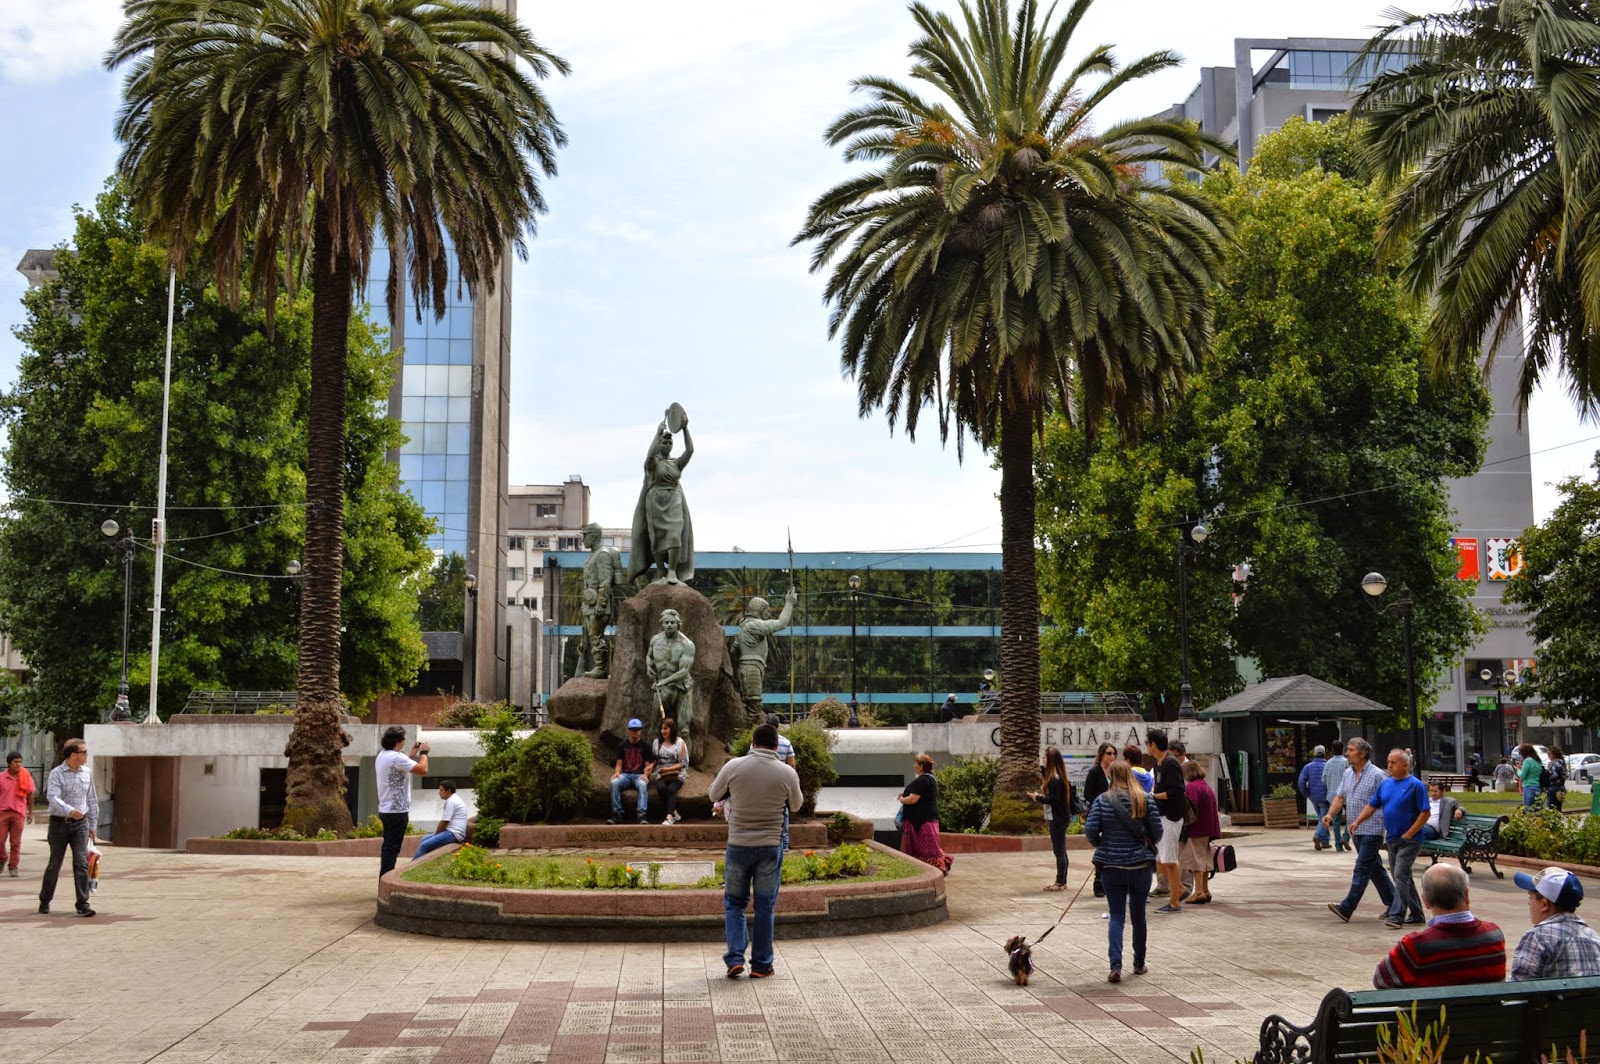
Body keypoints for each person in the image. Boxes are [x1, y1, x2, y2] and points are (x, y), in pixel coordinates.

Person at [708, 723, 802, 979]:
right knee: (765, 907)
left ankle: (735, 958)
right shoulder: (787, 772)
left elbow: (714, 793)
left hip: (738, 844)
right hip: (770, 846)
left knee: (734, 903)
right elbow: (796, 806)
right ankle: (761, 965)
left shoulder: (734, 766)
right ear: (776, 746)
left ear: (752, 742)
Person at [1084, 760, 1163, 983]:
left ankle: (1115, 966)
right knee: (1139, 916)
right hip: (1140, 865)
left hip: (1112, 866)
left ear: (1110, 776)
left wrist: (1102, 844)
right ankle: (1139, 963)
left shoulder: (1102, 800)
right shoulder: (1145, 799)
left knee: (1116, 916)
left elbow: (1090, 830)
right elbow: (1157, 832)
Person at [1372, 864, 1505, 988]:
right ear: (1466, 895)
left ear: (1425, 902)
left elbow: (1380, 980)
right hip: (1489, 1007)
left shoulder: (1415, 946)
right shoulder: (1494, 934)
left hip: (1438, 1007)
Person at [1349, 749, 1430, 930]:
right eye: (1388, 762)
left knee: (1400, 874)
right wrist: (1357, 821)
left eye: (1393, 763)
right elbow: (1372, 805)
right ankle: (1417, 914)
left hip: (1410, 840)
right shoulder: (1385, 784)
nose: (1389, 766)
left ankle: (1396, 915)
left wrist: (1410, 833)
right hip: (1392, 838)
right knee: (1401, 875)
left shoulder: (1415, 785)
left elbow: (1425, 813)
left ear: (1405, 765)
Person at [1323, 738, 1397, 923]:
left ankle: (1346, 908)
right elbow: (1340, 797)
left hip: (1373, 829)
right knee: (1375, 869)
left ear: (1362, 754)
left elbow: (1389, 801)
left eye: (1351, 750)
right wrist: (1330, 815)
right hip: (1355, 830)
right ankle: (1395, 903)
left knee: (1362, 868)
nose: (1347, 753)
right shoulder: (1348, 773)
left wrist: (1390, 827)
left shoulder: (1378, 775)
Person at [629, 415, 695, 585]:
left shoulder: (676, 463)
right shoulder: (652, 464)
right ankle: (660, 569)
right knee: (656, 537)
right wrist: (657, 434)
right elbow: (650, 457)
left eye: (670, 443)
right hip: (655, 501)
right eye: (664, 442)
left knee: (674, 535)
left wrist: (685, 429)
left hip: (674, 500)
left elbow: (690, 451)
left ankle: (672, 570)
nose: (667, 445)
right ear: (658, 444)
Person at [38, 739, 97, 917]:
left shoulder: (86, 773)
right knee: (55, 864)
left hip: (80, 825)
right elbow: (53, 797)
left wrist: (93, 824)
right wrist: (70, 810)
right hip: (59, 824)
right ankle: (45, 900)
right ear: (73, 755)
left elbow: (92, 799)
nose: (86, 755)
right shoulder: (56, 773)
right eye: (84, 752)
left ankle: (83, 903)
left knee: (81, 863)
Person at [1509, 867, 1600, 981]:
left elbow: (1518, 986)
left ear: (1545, 905)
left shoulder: (1537, 937)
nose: (1528, 902)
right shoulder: (1594, 937)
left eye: (1530, 897)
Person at [733, 590, 797, 721]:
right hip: (752, 668)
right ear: (760, 611)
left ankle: (749, 732)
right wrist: (789, 603)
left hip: (750, 667)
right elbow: (782, 623)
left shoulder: (744, 627)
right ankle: (749, 733)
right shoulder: (754, 625)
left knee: (753, 706)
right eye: (766, 611)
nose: (768, 614)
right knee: (754, 709)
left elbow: (734, 651)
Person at [376, 726, 429, 878]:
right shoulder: (397, 758)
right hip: (397, 811)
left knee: (387, 848)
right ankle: (386, 881)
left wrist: (412, 755)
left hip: (386, 809)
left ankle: (383, 879)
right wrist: (424, 753)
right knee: (392, 850)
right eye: (404, 739)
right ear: (399, 741)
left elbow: (402, 766)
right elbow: (423, 770)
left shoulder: (382, 755)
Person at [1145, 728, 1188, 913]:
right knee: (1159, 859)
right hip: (1161, 816)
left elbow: (1177, 791)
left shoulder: (1170, 763)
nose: (1147, 747)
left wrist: (1154, 796)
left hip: (1171, 817)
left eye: (1147, 743)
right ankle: (1180, 889)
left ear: (1153, 745)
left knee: (1169, 860)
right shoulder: (1158, 764)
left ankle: (1174, 902)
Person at [579, 522, 624, 679]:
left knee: (595, 636)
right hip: (590, 604)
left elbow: (605, 581)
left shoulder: (602, 554)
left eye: (585, 536)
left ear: (594, 536)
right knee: (592, 637)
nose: (583, 540)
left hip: (599, 606)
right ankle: (599, 667)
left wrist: (600, 603)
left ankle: (601, 668)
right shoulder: (593, 555)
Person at [899, 753, 952, 875]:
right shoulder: (931, 779)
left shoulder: (922, 780)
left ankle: (937, 869)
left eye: (916, 764)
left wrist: (902, 799)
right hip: (924, 819)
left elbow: (912, 799)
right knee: (930, 847)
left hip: (921, 822)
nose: (914, 766)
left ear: (921, 766)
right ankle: (935, 868)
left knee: (927, 849)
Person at [1031, 746, 1073, 892]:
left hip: (1058, 818)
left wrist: (1038, 797)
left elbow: (1053, 800)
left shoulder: (1055, 778)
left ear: (1050, 760)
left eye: (1044, 757)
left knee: (1059, 850)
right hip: (1061, 816)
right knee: (1061, 850)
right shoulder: (1058, 776)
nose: (1042, 759)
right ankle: (1062, 881)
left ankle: (1060, 882)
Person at [1181, 759, 1220, 905]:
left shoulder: (1192, 787)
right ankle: (1205, 890)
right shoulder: (1205, 786)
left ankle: (1198, 892)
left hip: (1196, 828)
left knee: (1196, 860)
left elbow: (1190, 807)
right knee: (1204, 859)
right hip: (1208, 828)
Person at [1085, 743, 1116, 897]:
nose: (1112, 756)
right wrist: (1101, 803)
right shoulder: (1095, 772)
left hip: (1114, 814)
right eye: (1109, 753)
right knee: (1102, 849)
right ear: (1101, 755)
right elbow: (1087, 794)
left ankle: (1111, 882)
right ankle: (1098, 883)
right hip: (1100, 814)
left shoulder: (1115, 772)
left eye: (1114, 753)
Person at [609, 718, 655, 824]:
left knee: (642, 784)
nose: (636, 732)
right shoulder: (622, 745)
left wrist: (646, 775)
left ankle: (642, 815)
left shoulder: (645, 746)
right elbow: (619, 764)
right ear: (628, 731)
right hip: (626, 775)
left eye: (638, 729)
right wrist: (617, 772)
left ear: (641, 730)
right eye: (634, 730)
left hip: (639, 775)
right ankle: (617, 814)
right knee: (614, 782)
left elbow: (648, 766)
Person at [412, 781, 469, 860]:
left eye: (441, 790)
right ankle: (425, 861)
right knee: (424, 839)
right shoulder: (452, 799)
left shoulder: (452, 801)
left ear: (448, 791)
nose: (439, 793)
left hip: (454, 834)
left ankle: (414, 864)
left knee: (424, 846)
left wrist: (436, 834)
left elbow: (444, 822)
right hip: (450, 832)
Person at [1, 751, 35, 878]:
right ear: (9, 763)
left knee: (15, 843)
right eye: (15, 762)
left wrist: (30, 813)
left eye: (20, 762)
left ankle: (13, 866)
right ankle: (3, 857)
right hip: (3, 812)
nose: (18, 764)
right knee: (0, 840)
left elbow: (30, 795)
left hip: (18, 813)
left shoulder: (26, 777)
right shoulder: (1, 778)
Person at [653, 718, 688, 825]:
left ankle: (669, 817)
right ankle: (674, 812)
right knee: (661, 788)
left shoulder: (680, 743)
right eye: (661, 729)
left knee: (671, 790)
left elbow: (683, 763)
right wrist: (649, 767)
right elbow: (655, 759)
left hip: (677, 773)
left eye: (665, 729)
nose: (663, 731)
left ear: (671, 729)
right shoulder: (657, 742)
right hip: (662, 774)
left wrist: (669, 769)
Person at [1299, 745, 1331, 851]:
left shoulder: (1308, 767)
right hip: (1326, 796)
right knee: (1324, 819)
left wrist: (1307, 794)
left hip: (1314, 797)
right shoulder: (1328, 765)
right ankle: (1318, 836)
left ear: (1314, 754)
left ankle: (1325, 842)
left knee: (1321, 818)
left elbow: (1301, 782)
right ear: (1324, 754)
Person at [1320, 745, 1351, 852]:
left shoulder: (1328, 763)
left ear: (1332, 750)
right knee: (1351, 817)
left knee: (1336, 820)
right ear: (1343, 750)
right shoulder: (1346, 762)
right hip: (1346, 794)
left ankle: (1338, 844)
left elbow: (1323, 779)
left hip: (1332, 795)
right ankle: (1345, 837)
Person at [1517, 743, 1543, 807]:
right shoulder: (1537, 761)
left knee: (1529, 809)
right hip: (1537, 787)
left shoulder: (1527, 761)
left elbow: (1522, 775)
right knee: (1536, 809)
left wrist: (1518, 770)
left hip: (1529, 787)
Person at [1546, 746, 1567, 811]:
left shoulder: (1557, 762)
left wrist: (1547, 778)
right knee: (1558, 807)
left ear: (1554, 754)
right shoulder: (1560, 762)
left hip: (1555, 787)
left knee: (1551, 807)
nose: (1548, 756)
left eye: (1549, 754)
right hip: (1560, 787)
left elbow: (1555, 774)